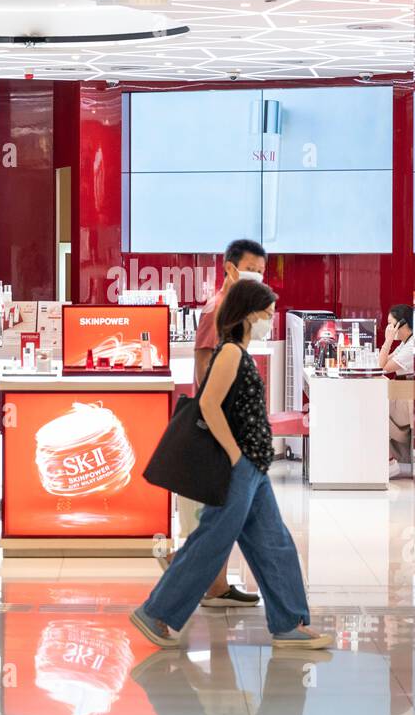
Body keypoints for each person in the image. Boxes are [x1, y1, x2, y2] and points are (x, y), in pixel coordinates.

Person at [131, 279, 334, 651]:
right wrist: (235, 454)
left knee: (275, 544)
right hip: (240, 465)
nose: (270, 322)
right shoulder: (230, 354)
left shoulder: (237, 353)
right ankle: (157, 612)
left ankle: (290, 622)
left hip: (253, 467)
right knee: (211, 541)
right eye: (266, 314)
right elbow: (209, 405)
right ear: (247, 314)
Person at [158, 238, 268, 609]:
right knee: (211, 511)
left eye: (263, 273)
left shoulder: (233, 311)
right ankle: (179, 572)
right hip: (213, 425)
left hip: (225, 423)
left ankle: (216, 584)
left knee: (220, 508)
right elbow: (206, 368)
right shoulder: (217, 310)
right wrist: (222, 417)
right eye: (253, 270)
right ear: (231, 269)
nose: (258, 278)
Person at [378, 304, 415, 477]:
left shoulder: (411, 346)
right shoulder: (404, 343)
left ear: (402, 323)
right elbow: (382, 361)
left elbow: (382, 366)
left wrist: (387, 340)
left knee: (374, 408)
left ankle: (389, 461)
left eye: (391, 324)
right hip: (401, 393)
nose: (388, 328)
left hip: (408, 398)